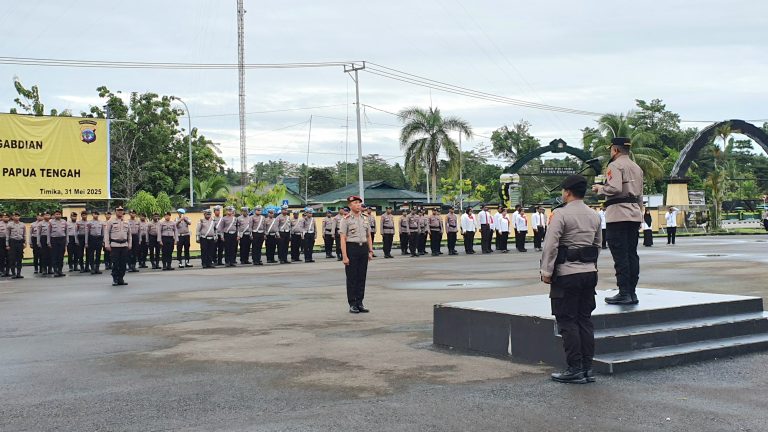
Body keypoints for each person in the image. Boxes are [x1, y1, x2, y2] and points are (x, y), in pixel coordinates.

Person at [540, 175, 601, 384]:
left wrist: (546, 271)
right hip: (589, 273)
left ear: (567, 192)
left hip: (566, 274)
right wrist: (591, 266)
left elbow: (550, 245)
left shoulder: (560, 214)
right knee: (584, 319)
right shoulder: (594, 215)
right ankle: (587, 368)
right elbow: (597, 245)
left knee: (567, 321)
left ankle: (574, 368)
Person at [593, 137, 644, 305]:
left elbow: (614, 188)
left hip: (618, 215)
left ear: (615, 150)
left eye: (610, 150)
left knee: (620, 256)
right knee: (631, 254)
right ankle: (632, 292)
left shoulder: (614, 165)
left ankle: (624, 292)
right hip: (634, 214)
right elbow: (640, 196)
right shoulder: (636, 167)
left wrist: (601, 188)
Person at [339, 195, 373, 314]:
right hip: (351, 248)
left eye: (359, 203)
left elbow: (368, 236)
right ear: (350, 206)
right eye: (355, 203)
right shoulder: (346, 219)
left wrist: (370, 250)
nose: (358, 205)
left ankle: (360, 302)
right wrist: (344, 256)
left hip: (363, 248)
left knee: (361, 277)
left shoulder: (365, 218)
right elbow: (342, 238)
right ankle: (352, 303)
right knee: (352, 277)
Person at [105, 206, 132, 286]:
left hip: (124, 245)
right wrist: (107, 244)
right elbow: (106, 233)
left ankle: (121, 278)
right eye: (118, 210)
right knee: (115, 263)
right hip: (115, 245)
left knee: (123, 263)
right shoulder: (111, 221)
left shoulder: (126, 222)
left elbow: (129, 234)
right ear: (115, 211)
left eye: (121, 210)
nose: (120, 212)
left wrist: (130, 244)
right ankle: (115, 278)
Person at [5, 212, 26, 279]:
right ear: (12, 217)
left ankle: (19, 273)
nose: (16, 217)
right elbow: (7, 235)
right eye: (15, 216)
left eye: (17, 216)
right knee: (12, 258)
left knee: (19, 258)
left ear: (19, 217)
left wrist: (25, 242)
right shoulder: (9, 225)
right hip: (12, 242)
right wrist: (7, 244)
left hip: (20, 242)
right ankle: (13, 273)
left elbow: (24, 234)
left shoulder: (22, 225)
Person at [49, 210, 68, 277]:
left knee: (61, 256)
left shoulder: (64, 222)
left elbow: (66, 232)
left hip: (62, 239)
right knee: (54, 256)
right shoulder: (50, 222)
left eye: (59, 214)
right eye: (56, 214)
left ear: (61, 215)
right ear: (54, 215)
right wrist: (49, 242)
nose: (58, 215)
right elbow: (49, 233)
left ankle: (60, 270)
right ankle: (55, 271)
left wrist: (66, 241)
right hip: (54, 239)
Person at [0, 213, 7, 277]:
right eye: (3, 217)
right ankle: (2, 270)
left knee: (8, 256)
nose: (4, 218)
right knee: (1, 256)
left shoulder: (10, 223)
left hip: (8, 241)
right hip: (1, 240)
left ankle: (7, 271)